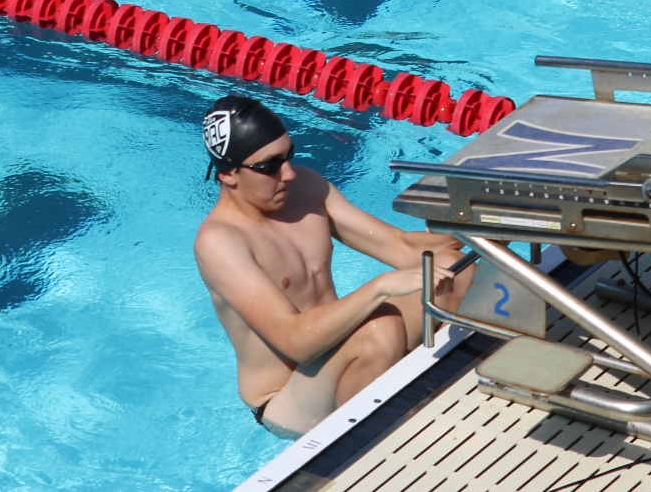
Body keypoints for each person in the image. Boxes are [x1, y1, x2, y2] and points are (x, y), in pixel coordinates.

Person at [192, 95, 473, 436]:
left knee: (451, 267)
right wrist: (381, 286)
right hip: (290, 397)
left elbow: (399, 246)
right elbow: (296, 342)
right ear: (228, 174)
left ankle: (445, 382)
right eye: (269, 166)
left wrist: (478, 225)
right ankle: (376, 445)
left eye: (288, 156)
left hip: (344, 355)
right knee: (378, 328)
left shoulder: (306, 189)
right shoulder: (220, 241)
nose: (288, 173)